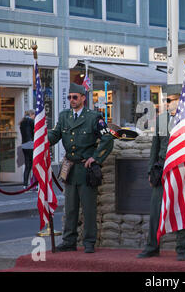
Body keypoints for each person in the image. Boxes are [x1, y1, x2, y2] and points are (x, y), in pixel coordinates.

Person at [137, 84, 185, 261]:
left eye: (169, 100)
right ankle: (152, 246)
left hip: (182, 170)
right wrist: (150, 170)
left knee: (182, 209)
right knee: (155, 210)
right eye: (165, 101)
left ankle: (182, 248)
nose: (166, 104)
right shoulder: (161, 120)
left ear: (179, 101)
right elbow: (155, 146)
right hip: (162, 168)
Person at [48, 83, 114, 253]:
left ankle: (89, 241)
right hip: (70, 168)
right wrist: (42, 139)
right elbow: (55, 135)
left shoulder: (94, 117)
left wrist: (96, 158)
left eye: (75, 97)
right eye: (69, 97)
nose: (72, 100)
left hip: (86, 169)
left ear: (83, 98)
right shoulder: (64, 117)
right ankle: (69, 240)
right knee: (70, 207)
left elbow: (107, 138)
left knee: (89, 208)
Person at [19, 110, 35, 189]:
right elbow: (34, 132)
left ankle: (25, 184)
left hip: (24, 145)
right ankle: (35, 184)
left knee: (27, 165)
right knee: (34, 165)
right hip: (31, 144)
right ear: (31, 114)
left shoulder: (22, 122)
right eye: (34, 115)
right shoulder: (31, 121)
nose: (34, 117)